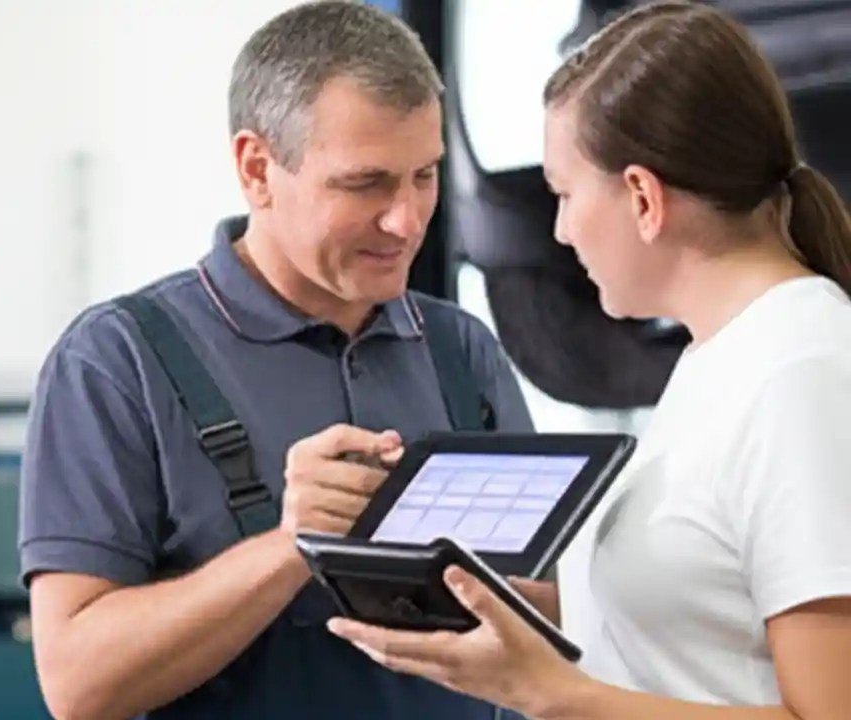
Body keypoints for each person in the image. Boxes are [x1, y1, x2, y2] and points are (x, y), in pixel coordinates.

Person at [325, 3, 851, 718]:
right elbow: (698, 618)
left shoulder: (801, 372)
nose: (563, 230)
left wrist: (549, 694)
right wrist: (473, 595)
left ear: (642, 197)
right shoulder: (722, 357)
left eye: (565, 194)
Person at [18, 2, 534, 718]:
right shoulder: (115, 362)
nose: (408, 220)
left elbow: (548, 612)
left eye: (424, 176)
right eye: (366, 184)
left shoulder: (461, 351)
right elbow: (78, 684)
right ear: (257, 169)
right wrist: (291, 547)